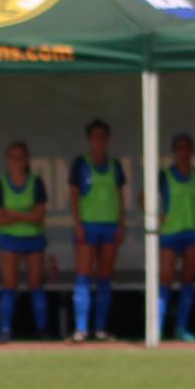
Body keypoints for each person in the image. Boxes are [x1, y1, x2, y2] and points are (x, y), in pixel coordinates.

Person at [68, 119, 126, 343]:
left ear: (108, 139)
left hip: (109, 226)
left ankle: (100, 329)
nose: (99, 140)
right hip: (88, 226)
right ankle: (81, 329)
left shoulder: (115, 165)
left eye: (103, 135)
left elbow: (120, 196)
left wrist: (121, 224)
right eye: (95, 136)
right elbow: (73, 196)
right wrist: (77, 224)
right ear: (89, 139)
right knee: (83, 275)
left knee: (104, 277)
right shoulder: (80, 164)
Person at [0, 140, 49, 343]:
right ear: (7, 160)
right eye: (13, 157)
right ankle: (6, 330)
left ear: (26, 160)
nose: (17, 161)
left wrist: (13, 214)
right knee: (9, 284)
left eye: (20, 157)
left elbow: (38, 216)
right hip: (9, 240)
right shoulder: (0, 183)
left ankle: (41, 329)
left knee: (35, 283)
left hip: (33, 238)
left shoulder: (36, 182)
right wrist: (26, 213)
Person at [157, 132, 195, 342]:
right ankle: (156, 328)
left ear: (192, 151)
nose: (183, 151)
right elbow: (143, 197)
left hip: (193, 232)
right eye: (179, 148)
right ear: (174, 152)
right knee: (166, 277)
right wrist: (156, 215)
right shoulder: (164, 176)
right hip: (170, 232)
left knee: (188, 279)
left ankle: (181, 327)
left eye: (187, 147)